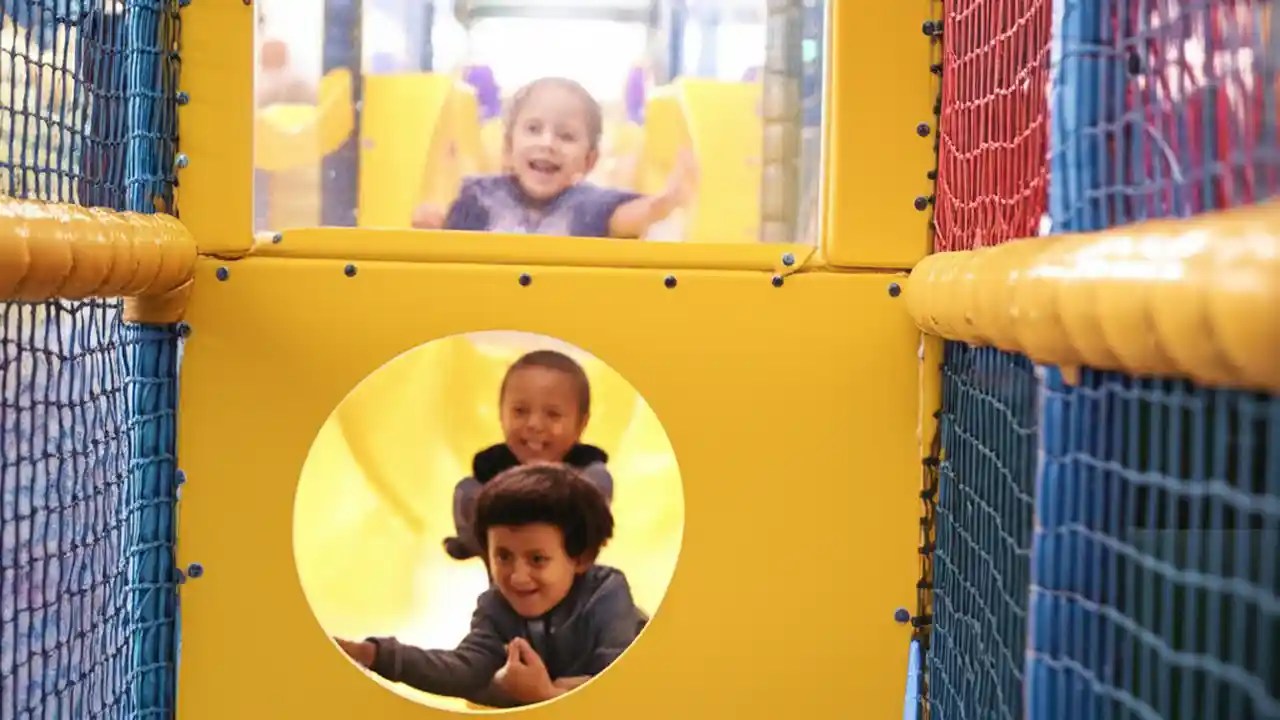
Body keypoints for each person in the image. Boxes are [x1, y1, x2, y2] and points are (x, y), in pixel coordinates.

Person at [334, 463, 647, 707]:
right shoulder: (495, 607)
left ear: (581, 557)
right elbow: (464, 669)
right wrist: (375, 654)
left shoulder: (607, 592)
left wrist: (547, 694)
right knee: (486, 687)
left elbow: (619, 680)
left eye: (537, 559)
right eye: (503, 556)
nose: (517, 576)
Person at [412, 76, 696, 238]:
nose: (547, 143)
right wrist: (432, 224)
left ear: (589, 161)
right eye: (533, 129)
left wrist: (665, 202)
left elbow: (623, 219)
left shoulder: (588, 205)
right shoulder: (480, 196)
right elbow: (450, 236)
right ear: (508, 148)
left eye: (566, 136)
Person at [443, 349, 613, 561]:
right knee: (466, 488)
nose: (534, 425)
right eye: (520, 411)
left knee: (598, 483)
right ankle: (473, 542)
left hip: (563, 561)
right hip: (509, 558)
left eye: (553, 415)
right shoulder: (495, 466)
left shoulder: (586, 470)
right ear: (501, 414)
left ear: (581, 424)